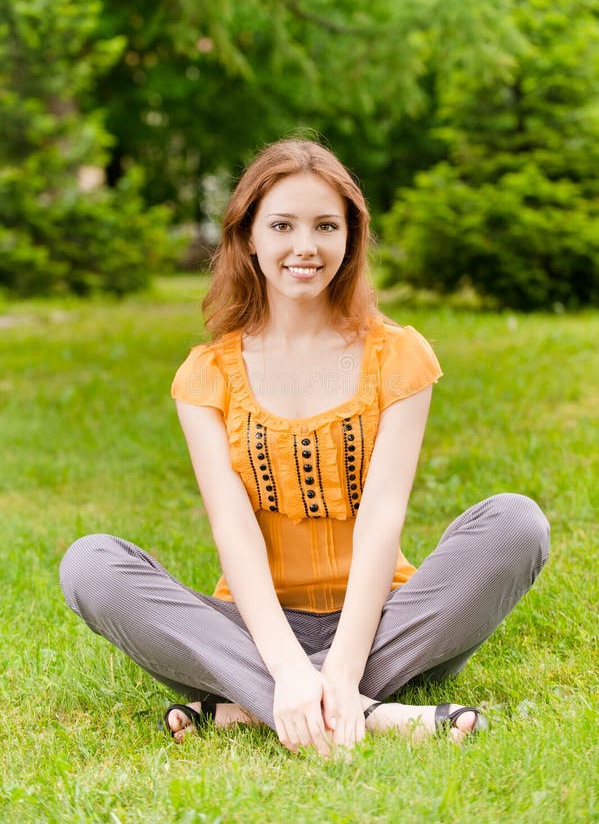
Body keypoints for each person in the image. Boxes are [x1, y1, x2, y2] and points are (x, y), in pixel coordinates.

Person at [60, 138, 550, 757]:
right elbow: (233, 530)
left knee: (516, 523)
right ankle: (368, 712)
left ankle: (255, 703)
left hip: (386, 620)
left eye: (325, 226)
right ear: (249, 237)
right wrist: (289, 667)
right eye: (282, 225)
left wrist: (341, 668)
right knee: (90, 564)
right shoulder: (207, 374)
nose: (305, 246)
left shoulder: (397, 355)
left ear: (350, 236)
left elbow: (382, 517)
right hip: (252, 628)